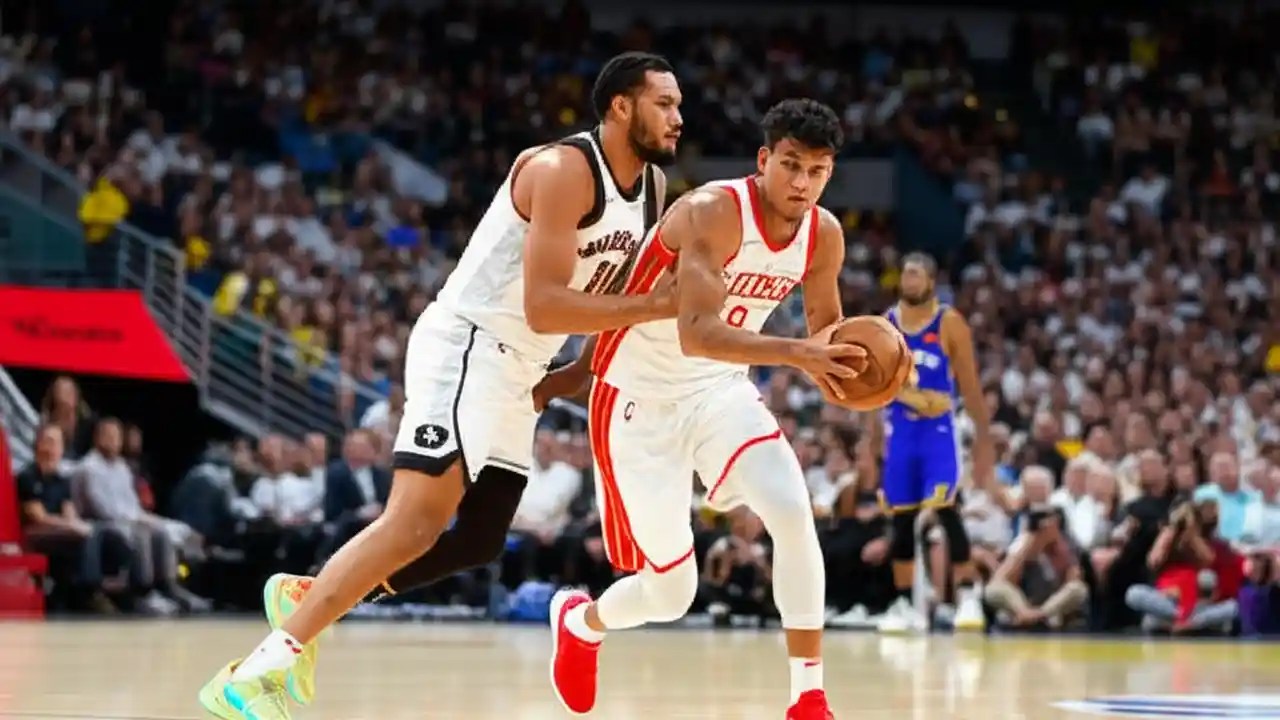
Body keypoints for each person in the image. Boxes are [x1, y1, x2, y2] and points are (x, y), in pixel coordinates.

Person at [199, 51, 683, 720]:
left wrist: (575, 372)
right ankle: (251, 677)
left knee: (478, 539)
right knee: (415, 522)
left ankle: (310, 595)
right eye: (665, 103)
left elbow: (614, 294)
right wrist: (655, 308)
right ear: (621, 107)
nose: (678, 118)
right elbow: (546, 304)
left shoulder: (654, 190)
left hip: (523, 366)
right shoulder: (562, 170)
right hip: (471, 345)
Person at [539, 98, 861, 719]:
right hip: (638, 395)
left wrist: (858, 369)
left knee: (794, 512)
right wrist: (801, 354)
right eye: (790, 165)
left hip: (719, 390)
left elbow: (826, 332)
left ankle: (808, 698)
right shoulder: (713, 212)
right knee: (672, 593)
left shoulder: (824, 236)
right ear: (764, 160)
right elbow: (698, 333)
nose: (802, 183)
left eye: (817, 171)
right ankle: (583, 622)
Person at [862, 253, 995, 634]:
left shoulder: (949, 322)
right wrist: (870, 442)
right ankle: (905, 604)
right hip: (899, 432)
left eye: (917, 273)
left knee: (946, 511)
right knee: (901, 519)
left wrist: (984, 440)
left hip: (938, 432)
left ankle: (968, 596)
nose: (910, 279)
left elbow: (969, 385)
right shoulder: (886, 324)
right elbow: (872, 386)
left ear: (931, 280)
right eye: (906, 273)